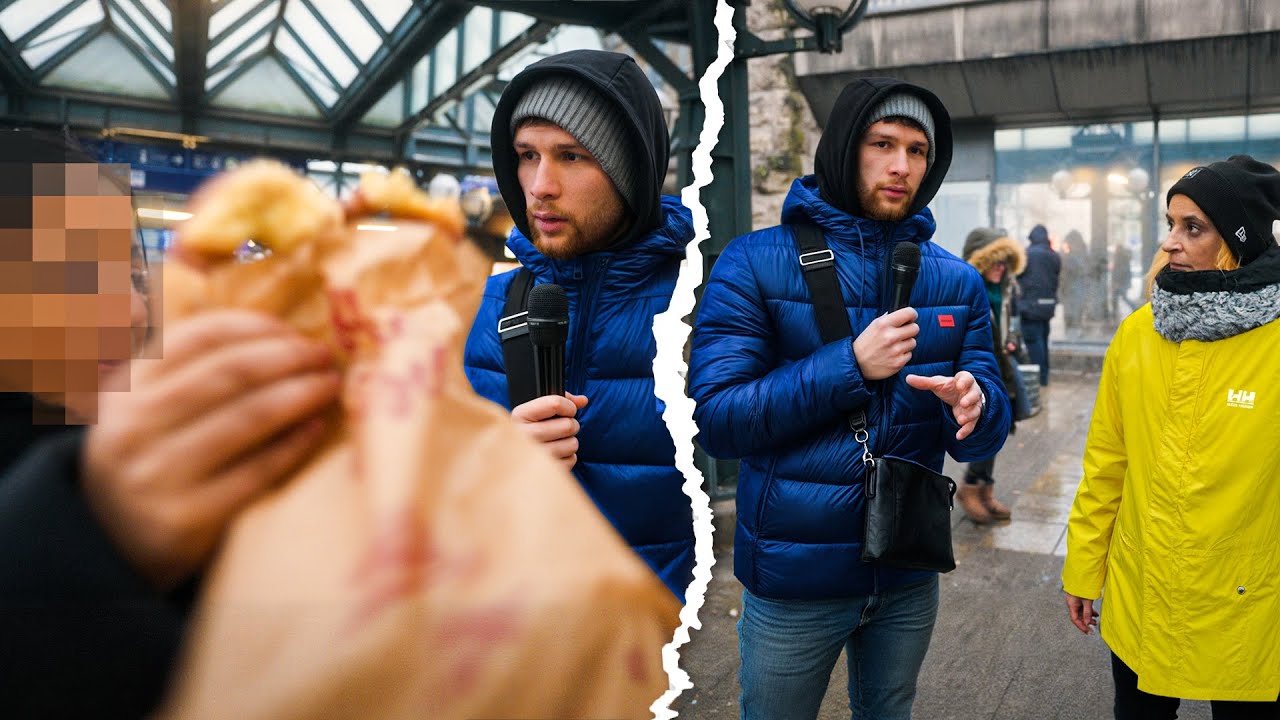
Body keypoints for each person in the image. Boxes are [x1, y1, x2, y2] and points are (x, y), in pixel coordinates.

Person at [688, 78, 1011, 720]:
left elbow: (984, 426)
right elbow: (718, 421)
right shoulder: (754, 262)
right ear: (843, 149)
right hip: (793, 578)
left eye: (918, 150)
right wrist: (849, 366)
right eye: (882, 143)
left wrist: (976, 409)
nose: (901, 166)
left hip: (906, 566)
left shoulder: (956, 279)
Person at [0, 129, 342, 718]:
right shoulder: (87, 500)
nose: (134, 309)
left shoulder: (176, 453)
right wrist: (89, 535)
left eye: (132, 275)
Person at [462, 50, 695, 601]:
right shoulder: (489, 305)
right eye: (526, 155)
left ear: (629, 173)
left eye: (571, 155)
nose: (540, 185)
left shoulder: (704, 304)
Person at [1063, 155, 1280, 718]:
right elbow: (1108, 463)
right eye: (1170, 224)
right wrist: (1085, 568)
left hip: (1250, 612)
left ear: (1239, 241)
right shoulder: (1138, 333)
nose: (1170, 244)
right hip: (1144, 596)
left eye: (1193, 228)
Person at [957, 228, 1025, 524]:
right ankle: (970, 487)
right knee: (984, 429)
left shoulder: (1005, 290)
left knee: (999, 430)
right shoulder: (969, 291)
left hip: (1003, 369)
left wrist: (1013, 340)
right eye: (995, 261)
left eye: (1005, 262)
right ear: (981, 262)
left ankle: (985, 489)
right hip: (979, 374)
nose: (1001, 267)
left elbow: (1011, 324)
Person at [1016, 223, 1060, 385]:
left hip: (1030, 307)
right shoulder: (1054, 256)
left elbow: (1018, 276)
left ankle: (1040, 379)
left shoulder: (1027, 254)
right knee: (1043, 340)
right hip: (1048, 306)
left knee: (1034, 342)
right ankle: (1045, 375)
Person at [1060, 230, 1089, 335]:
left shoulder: (1075, 255)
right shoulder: (1082, 253)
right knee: (1073, 310)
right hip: (1072, 289)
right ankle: (1072, 330)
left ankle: (1073, 331)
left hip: (1075, 288)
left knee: (1075, 310)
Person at [1109, 242, 1133, 320]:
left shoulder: (1119, 258)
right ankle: (1114, 314)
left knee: (1117, 298)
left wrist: (1116, 283)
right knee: (1120, 297)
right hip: (1122, 282)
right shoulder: (1124, 257)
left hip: (1119, 282)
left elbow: (1118, 272)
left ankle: (1114, 315)